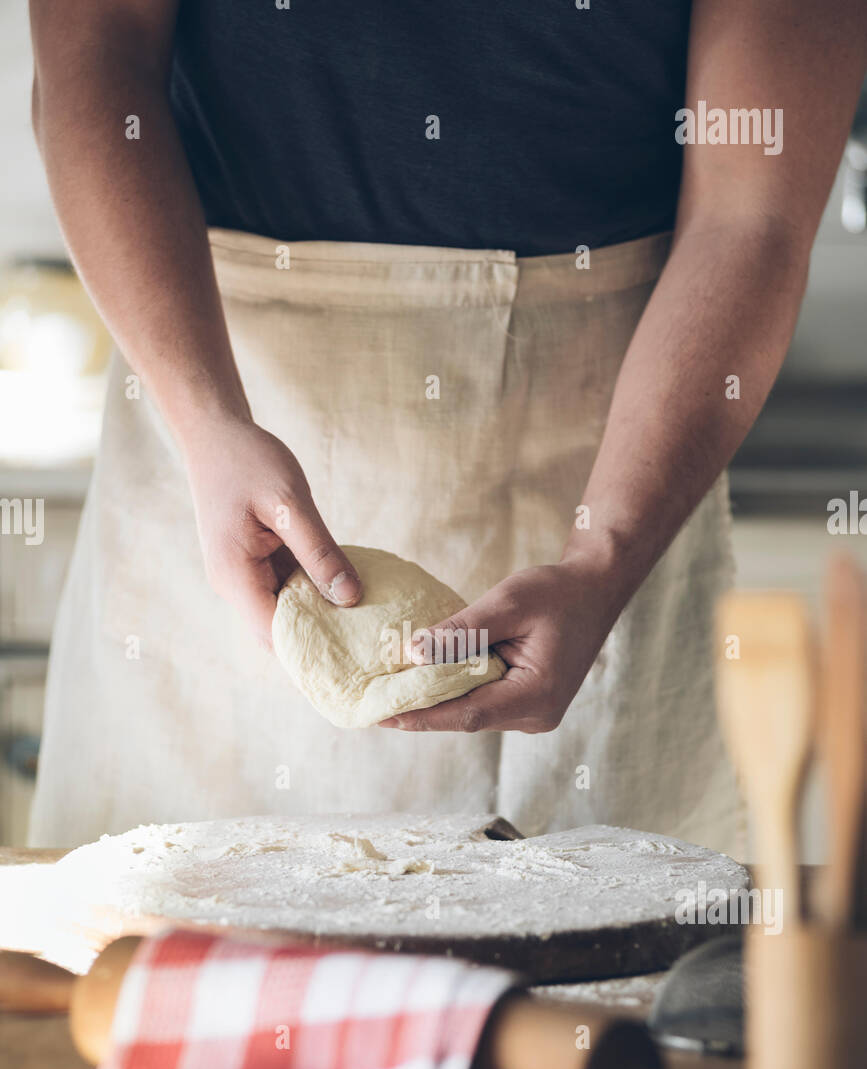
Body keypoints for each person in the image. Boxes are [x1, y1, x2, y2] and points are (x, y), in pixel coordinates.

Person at [26, 1, 867, 853]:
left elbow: (749, 216)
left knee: (600, 965)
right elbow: (93, 58)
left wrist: (603, 555)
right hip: (211, 416)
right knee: (172, 956)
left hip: (617, 454)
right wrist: (203, 418)